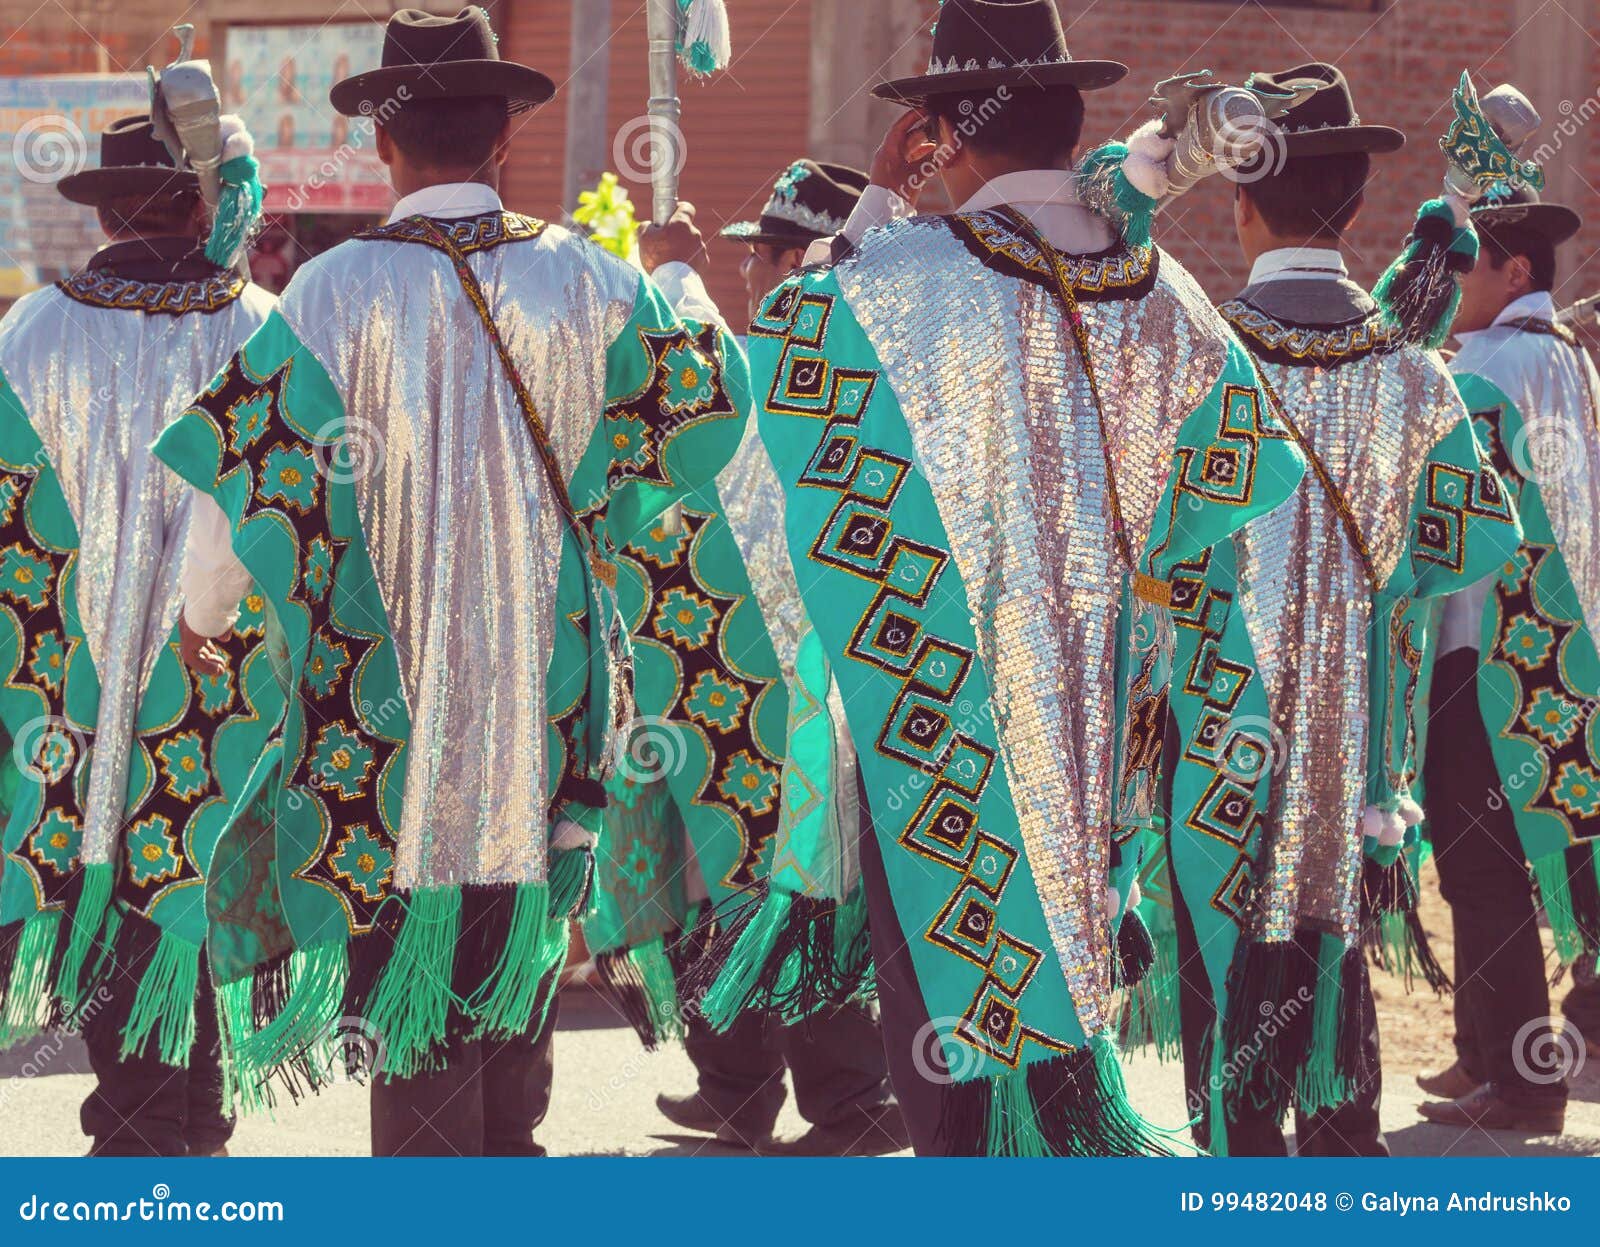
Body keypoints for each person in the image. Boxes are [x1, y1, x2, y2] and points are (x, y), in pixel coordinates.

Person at [155, 6, 745, 1157]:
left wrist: (203, 618)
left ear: (383, 144)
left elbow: (245, 495)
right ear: (504, 141)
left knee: (411, 1035)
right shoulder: (593, 279)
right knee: (513, 992)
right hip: (546, 713)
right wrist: (675, 283)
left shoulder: (325, 296)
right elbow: (696, 436)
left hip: (385, 734)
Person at [741, 0, 1309, 1155]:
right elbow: (1239, 475)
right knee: (1056, 1069)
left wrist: (881, 201)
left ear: (942, 130)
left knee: (952, 1088)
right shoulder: (1167, 298)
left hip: (935, 733)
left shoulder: (886, 281)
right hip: (1094, 737)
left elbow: (783, 380)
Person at [1161, 64, 1522, 1156]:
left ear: (1237, 200)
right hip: (1354, 741)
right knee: (1332, 951)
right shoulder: (1416, 378)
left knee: (1224, 958)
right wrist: (1372, 594)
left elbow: (1148, 543)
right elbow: (1473, 535)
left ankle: (1238, 1161)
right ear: (1358, 207)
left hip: (1216, 719)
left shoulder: (1198, 359)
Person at [576, 160, 905, 1156]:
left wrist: (669, 274)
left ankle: (850, 1100)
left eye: (758, 254)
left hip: (777, 677)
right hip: (719, 662)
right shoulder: (824, 345)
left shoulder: (812, 350)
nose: (749, 271)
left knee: (791, 879)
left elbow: (705, 388)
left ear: (797, 259)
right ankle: (735, 1084)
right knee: (718, 875)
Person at [0, 113, 276, 1156]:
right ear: (208, 205)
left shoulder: (28, 334)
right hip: (218, 670)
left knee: (100, 865)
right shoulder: (262, 327)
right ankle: (188, 1116)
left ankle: (143, 1128)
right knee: (199, 868)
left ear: (109, 208)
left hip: (67, 678)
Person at [1416, 176, 1599, 1132]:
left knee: (1480, 865)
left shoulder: (1487, 372)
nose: (1449, 282)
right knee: (1538, 855)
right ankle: (1490, 1054)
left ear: (1513, 267)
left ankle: (1523, 1082)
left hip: (1483, 653)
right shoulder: (1562, 356)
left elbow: (1438, 520)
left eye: (1462, 262)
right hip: (1554, 651)